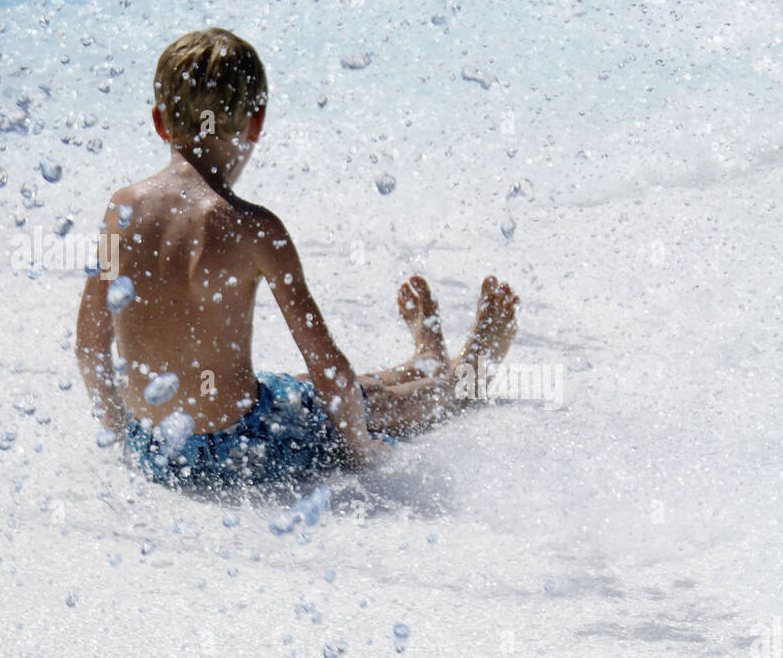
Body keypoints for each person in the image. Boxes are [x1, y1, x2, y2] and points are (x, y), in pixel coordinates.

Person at [75, 28, 518, 487]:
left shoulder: (120, 211)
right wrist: (360, 454)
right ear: (256, 123)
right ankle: (464, 379)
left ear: (160, 122)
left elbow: (89, 345)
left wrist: (124, 439)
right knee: (367, 401)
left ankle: (423, 363)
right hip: (244, 449)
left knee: (299, 385)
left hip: (158, 449)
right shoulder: (256, 229)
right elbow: (331, 368)